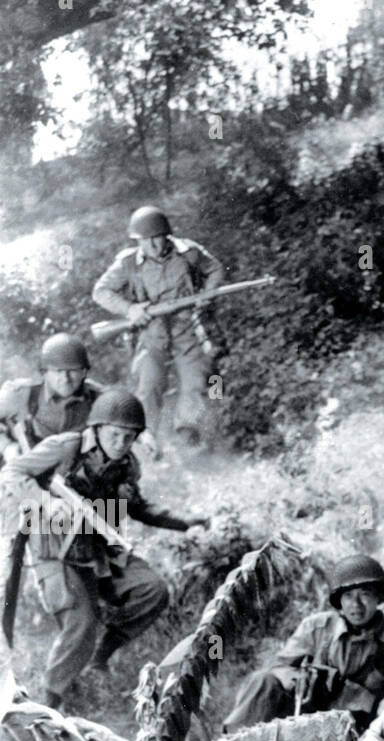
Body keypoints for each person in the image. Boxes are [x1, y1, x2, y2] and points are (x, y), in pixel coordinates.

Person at [1, 387, 207, 708]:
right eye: (114, 434)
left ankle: (100, 655)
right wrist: (46, 502)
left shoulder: (126, 465)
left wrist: (185, 523)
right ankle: (49, 702)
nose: (120, 443)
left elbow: (137, 507)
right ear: (96, 428)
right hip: (53, 547)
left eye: (129, 437)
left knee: (153, 590)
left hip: (95, 545)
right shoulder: (65, 447)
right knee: (82, 623)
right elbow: (13, 472)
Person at [223, 554, 384, 736]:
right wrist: (299, 678)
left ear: (378, 598)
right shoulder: (316, 627)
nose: (356, 605)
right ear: (339, 600)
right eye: (348, 596)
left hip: (349, 729)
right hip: (303, 716)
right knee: (262, 680)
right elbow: (279, 666)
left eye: (365, 595)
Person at [92, 206, 225, 443]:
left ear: (167, 235)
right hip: (150, 334)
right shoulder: (128, 264)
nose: (152, 245)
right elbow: (100, 292)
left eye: (157, 238)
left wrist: (207, 293)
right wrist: (129, 309)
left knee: (197, 383)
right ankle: (145, 440)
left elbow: (215, 269)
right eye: (146, 240)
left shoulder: (188, 253)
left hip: (188, 330)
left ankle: (188, 437)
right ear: (137, 241)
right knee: (149, 384)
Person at [0, 334, 103, 461]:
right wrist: (6, 447)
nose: (65, 379)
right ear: (45, 372)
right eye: (58, 371)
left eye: (73, 371)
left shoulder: (98, 399)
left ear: (84, 372)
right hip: (20, 473)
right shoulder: (21, 394)